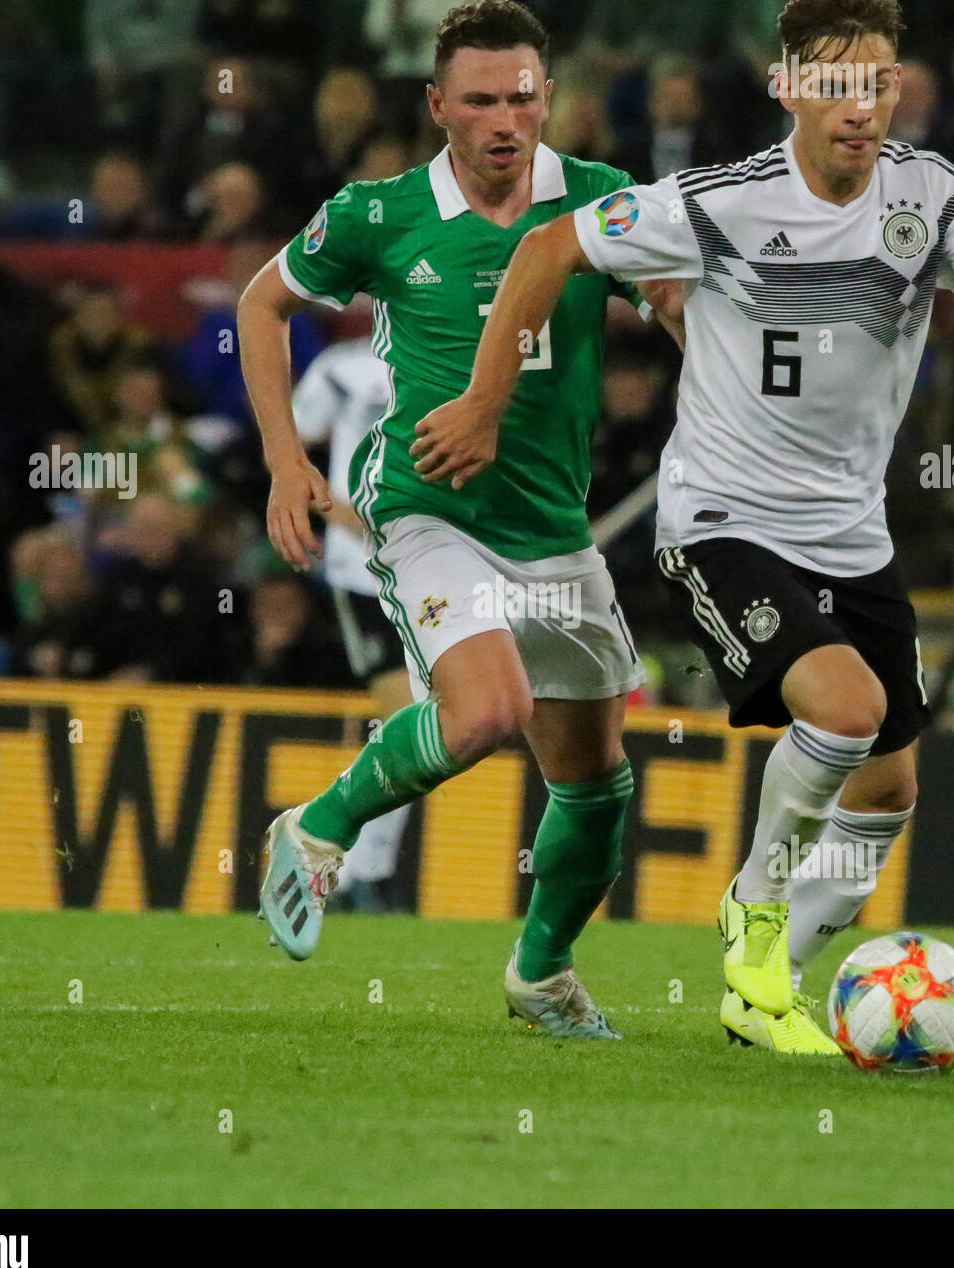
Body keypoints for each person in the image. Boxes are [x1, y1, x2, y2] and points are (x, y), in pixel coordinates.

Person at [417, 0, 954, 1052]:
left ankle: (762, 986)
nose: (858, 106)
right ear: (787, 91)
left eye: (877, 83)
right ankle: (755, 911)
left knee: (887, 790)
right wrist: (487, 403)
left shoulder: (935, 195)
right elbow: (547, 249)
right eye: (832, 84)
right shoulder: (716, 201)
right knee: (846, 708)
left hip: (852, 535)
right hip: (723, 517)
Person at [238, 1, 677, 1038]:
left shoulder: (603, 201)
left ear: (548, 100)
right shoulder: (379, 215)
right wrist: (284, 462)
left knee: (597, 780)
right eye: (479, 99)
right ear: (437, 106)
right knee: (485, 710)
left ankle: (541, 973)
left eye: (522, 97)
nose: (503, 119)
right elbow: (262, 305)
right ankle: (317, 826)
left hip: (553, 527)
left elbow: (674, 293)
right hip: (424, 508)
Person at [290, 297, 415, 911]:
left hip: (430, 566)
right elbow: (290, 450)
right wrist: (337, 512)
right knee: (408, 717)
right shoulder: (341, 368)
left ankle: (358, 867)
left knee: (430, 720)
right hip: (362, 570)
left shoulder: (449, 358)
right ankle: (363, 872)